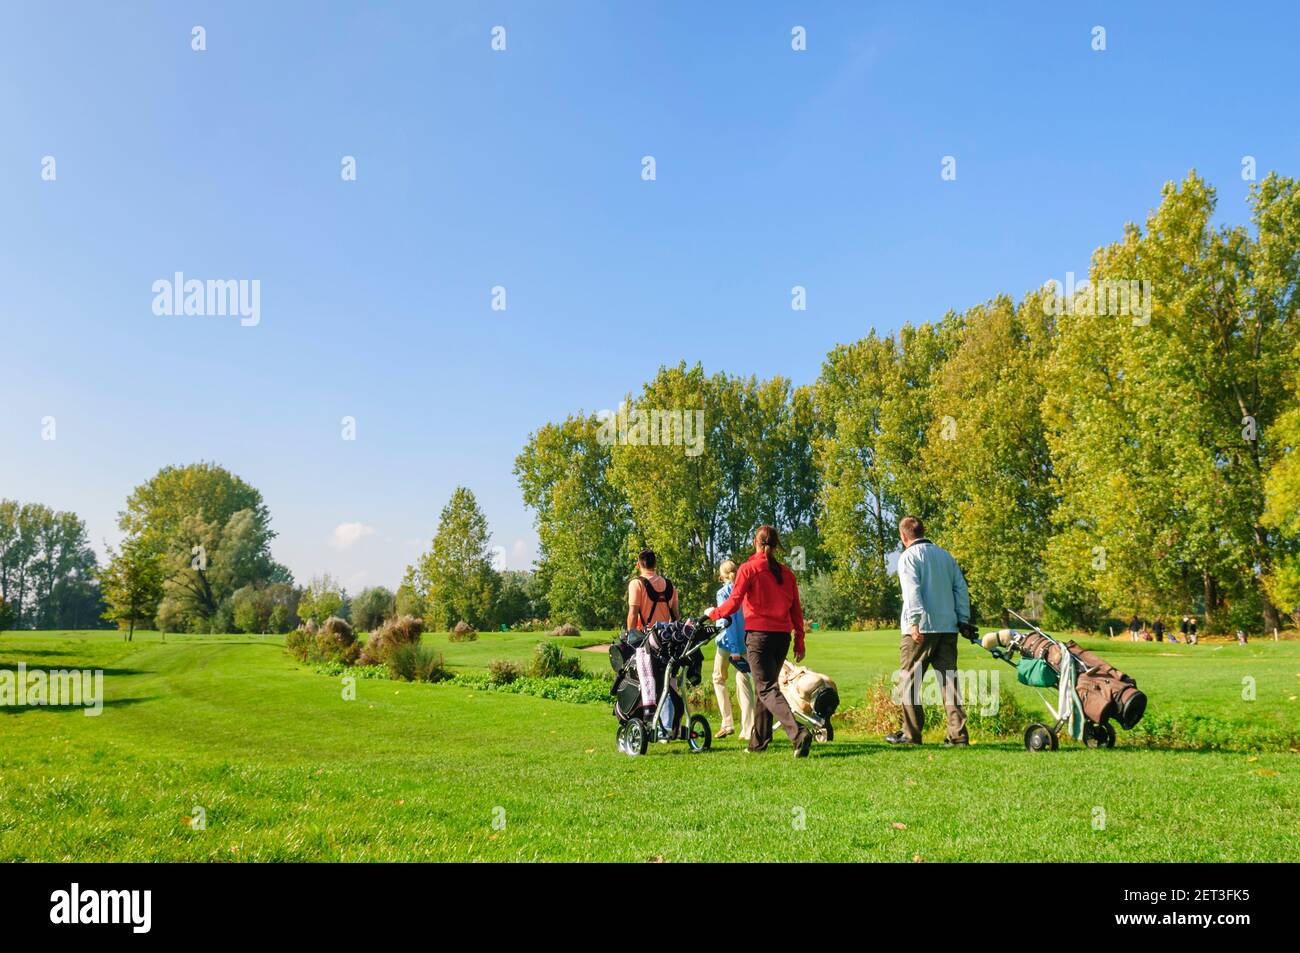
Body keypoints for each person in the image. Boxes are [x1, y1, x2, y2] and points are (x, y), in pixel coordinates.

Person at [707, 525, 812, 758]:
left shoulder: (749, 568)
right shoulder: (787, 574)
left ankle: (798, 733)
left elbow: (734, 602)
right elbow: (797, 611)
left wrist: (713, 614)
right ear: (776, 546)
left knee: (765, 687)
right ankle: (759, 742)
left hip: (759, 637)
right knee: (766, 687)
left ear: (756, 541)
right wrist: (800, 642)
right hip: (782, 637)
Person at [887, 516, 971, 747]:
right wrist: (963, 619)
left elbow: (912, 591)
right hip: (948, 627)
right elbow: (960, 588)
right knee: (949, 682)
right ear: (923, 531)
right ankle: (958, 735)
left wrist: (914, 622)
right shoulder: (945, 556)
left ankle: (911, 734)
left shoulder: (908, 558)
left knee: (909, 683)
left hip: (921, 629)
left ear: (904, 536)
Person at [712, 560, 755, 742]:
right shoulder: (745, 590)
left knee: (718, 678)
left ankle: (727, 722)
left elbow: (727, 621)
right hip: (746, 642)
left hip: (728, 644)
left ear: (722, 576)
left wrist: (734, 649)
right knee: (743, 683)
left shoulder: (723, 593)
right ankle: (749, 728)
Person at [625, 549, 678, 632]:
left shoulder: (637, 583)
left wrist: (630, 636)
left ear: (638, 565)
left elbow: (633, 614)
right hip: (665, 637)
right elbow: (675, 615)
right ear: (655, 564)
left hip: (645, 638)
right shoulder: (670, 585)